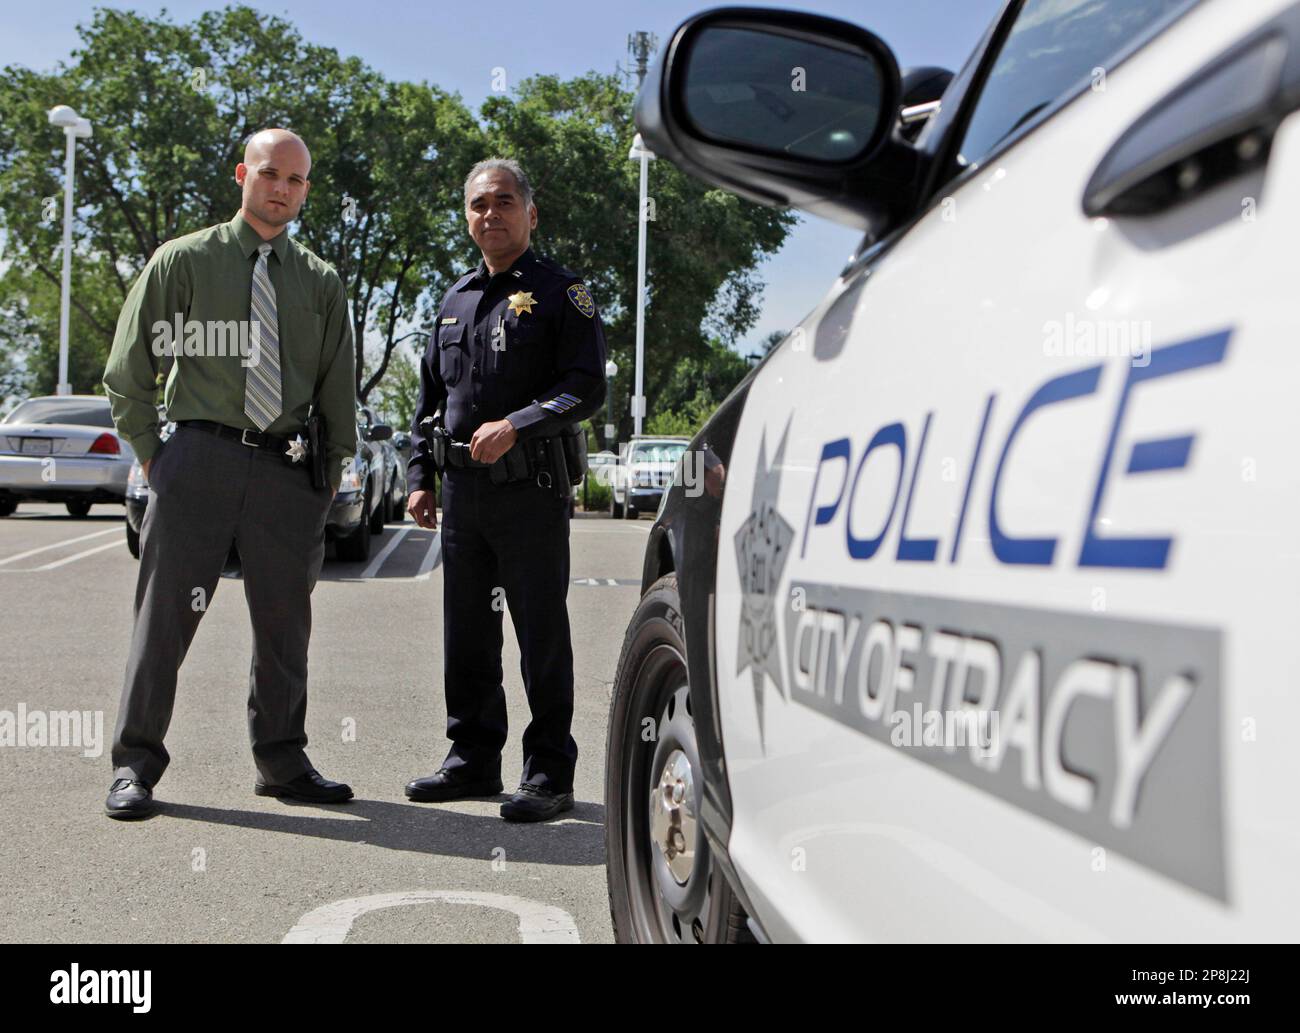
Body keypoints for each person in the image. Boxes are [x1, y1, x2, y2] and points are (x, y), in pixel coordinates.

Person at [101, 128, 358, 819]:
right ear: (242, 173)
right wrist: (156, 454)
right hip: (198, 460)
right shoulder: (184, 262)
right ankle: (134, 764)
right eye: (270, 173)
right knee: (163, 622)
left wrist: (332, 471)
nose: (281, 188)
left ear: (306, 190)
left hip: (289, 472)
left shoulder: (322, 283)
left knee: (285, 629)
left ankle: (282, 759)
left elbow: (338, 389)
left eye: (296, 180)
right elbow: (128, 372)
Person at [405, 158, 606, 822]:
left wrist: (518, 425)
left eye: (503, 202)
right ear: (467, 216)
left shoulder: (560, 292)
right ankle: (471, 758)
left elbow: (586, 386)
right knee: (466, 632)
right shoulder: (454, 298)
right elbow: (431, 400)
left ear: (530, 211)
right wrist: (418, 477)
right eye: (477, 205)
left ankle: (549, 770)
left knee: (539, 632)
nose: (490, 214)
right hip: (463, 495)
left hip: (531, 490)